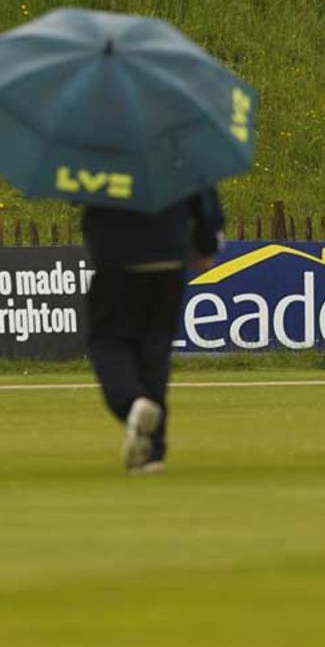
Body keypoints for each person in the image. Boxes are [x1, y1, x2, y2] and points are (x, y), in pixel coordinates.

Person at [82, 186, 224, 474]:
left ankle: (131, 403)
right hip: (168, 253)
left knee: (108, 340)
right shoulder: (175, 142)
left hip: (116, 254)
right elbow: (202, 191)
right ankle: (152, 452)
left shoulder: (98, 144)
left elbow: (77, 191)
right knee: (155, 347)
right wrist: (206, 243)